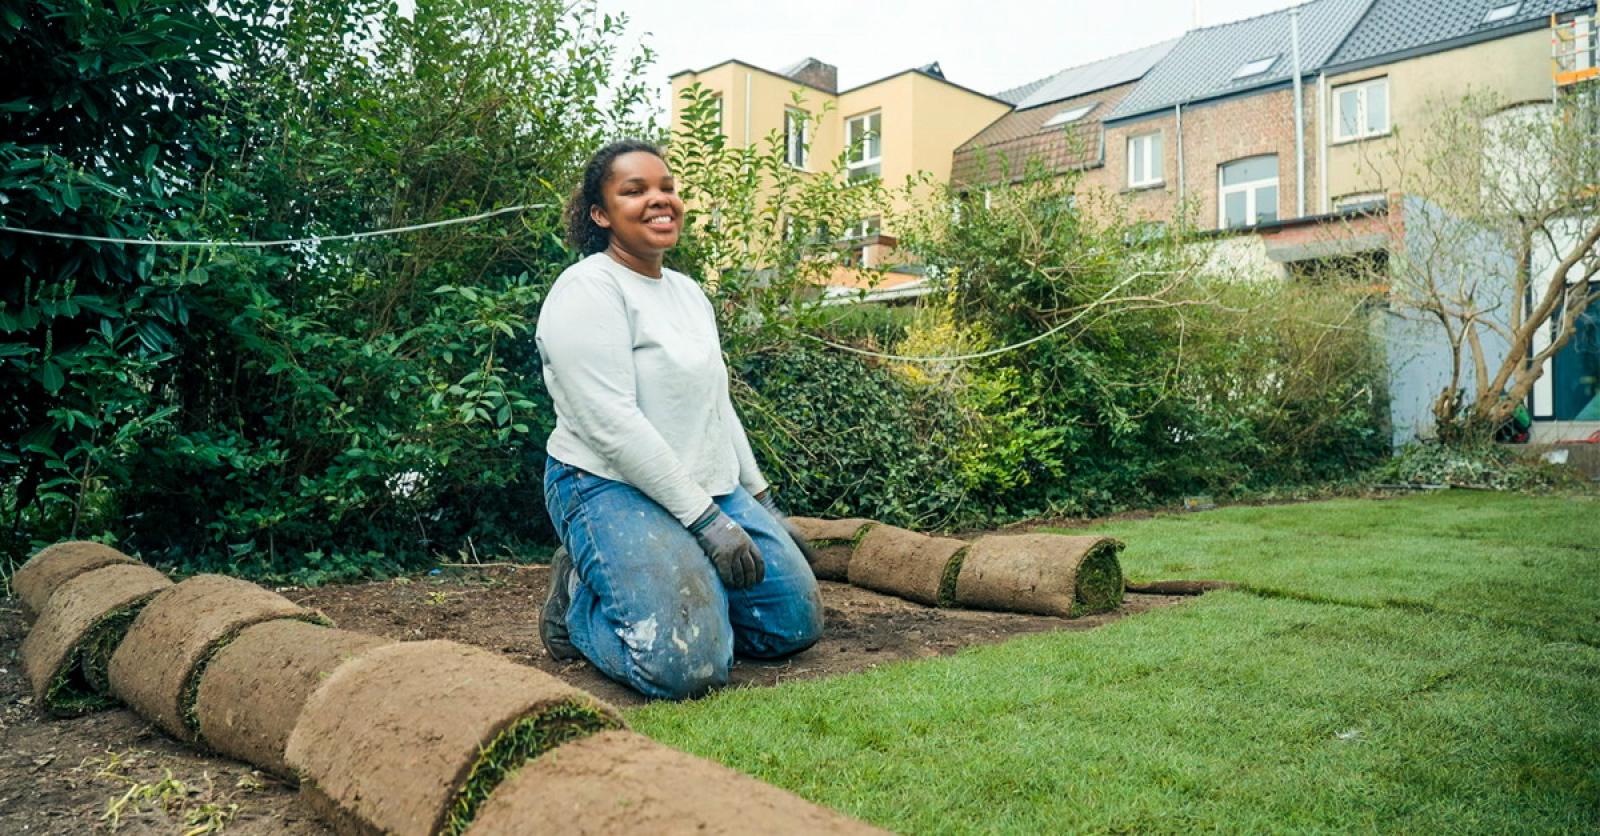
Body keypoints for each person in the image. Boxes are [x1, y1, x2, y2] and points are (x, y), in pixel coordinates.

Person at [535, 139, 824, 700]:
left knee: (793, 620)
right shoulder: (588, 290)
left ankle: (681, 583)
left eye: (666, 186)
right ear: (601, 214)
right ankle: (577, 600)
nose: (658, 199)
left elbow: (718, 403)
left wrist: (762, 504)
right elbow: (611, 423)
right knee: (685, 665)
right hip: (608, 486)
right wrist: (706, 525)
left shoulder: (690, 294)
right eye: (635, 190)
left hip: (704, 488)